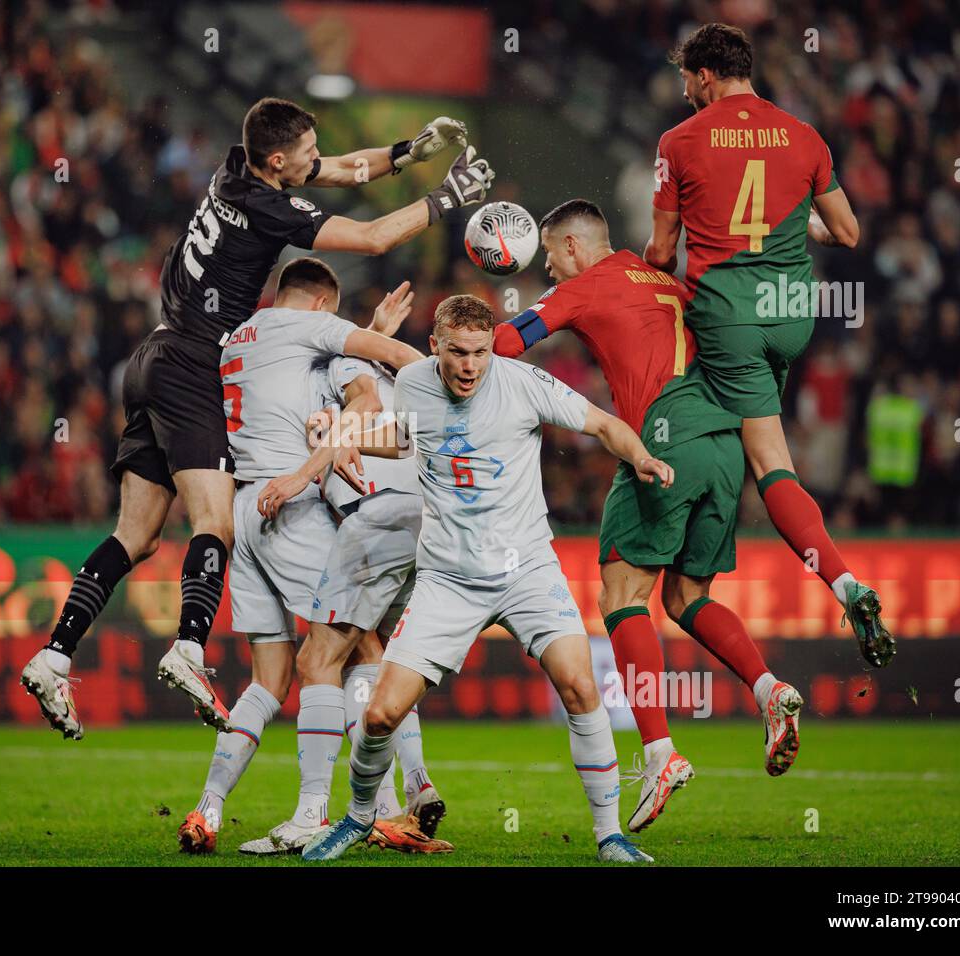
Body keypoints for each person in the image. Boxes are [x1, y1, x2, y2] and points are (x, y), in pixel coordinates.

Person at [21, 99, 494, 738]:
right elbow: (374, 236)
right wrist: (447, 198)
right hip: (192, 364)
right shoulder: (271, 209)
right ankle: (189, 648)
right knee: (214, 521)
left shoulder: (234, 169)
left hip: (152, 356)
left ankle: (54, 655)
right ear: (277, 160)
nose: (316, 157)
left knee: (136, 534)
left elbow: (349, 170)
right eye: (306, 150)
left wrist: (407, 153)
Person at [303, 294, 672, 863]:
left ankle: (608, 835)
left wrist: (641, 455)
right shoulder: (416, 385)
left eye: (480, 352)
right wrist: (340, 439)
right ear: (435, 347)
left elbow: (601, 423)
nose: (470, 366)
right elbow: (408, 437)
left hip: (526, 569)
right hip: (447, 579)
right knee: (379, 714)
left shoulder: (523, 382)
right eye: (458, 353)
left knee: (580, 686)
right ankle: (357, 817)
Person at [495, 199, 804, 834]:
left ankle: (660, 754)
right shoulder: (659, 277)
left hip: (661, 439)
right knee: (686, 597)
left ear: (575, 246)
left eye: (552, 256)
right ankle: (770, 688)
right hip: (724, 443)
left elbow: (501, 342)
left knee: (620, 594)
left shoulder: (585, 285)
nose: (551, 270)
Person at [643, 23, 893, 669]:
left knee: (769, 461)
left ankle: (844, 582)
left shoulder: (681, 140)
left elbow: (661, 252)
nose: (685, 93)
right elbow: (847, 232)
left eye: (685, 81)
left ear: (703, 75)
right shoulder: (804, 135)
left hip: (728, 312)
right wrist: (796, 219)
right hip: (790, 312)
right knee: (746, 422)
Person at [175, 258, 425, 853]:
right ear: (320, 306)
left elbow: (311, 378)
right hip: (289, 504)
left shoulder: (240, 334)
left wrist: (370, 333)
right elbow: (377, 371)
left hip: (239, 508)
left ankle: (207, 809)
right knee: (355, 645)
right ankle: (364, 808)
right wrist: (452, 377)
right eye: (332, 317)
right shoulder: (309, 328)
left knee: (271, 676)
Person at [239, 347, 448, 856]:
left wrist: (300, 475)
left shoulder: (324, 384)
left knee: (317, 661)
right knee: (386, 660)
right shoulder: (414, 384)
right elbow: (402, 433)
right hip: (431, 527)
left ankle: (313, 812)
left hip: (375, 522)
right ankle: (415, 784)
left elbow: (337, 427)